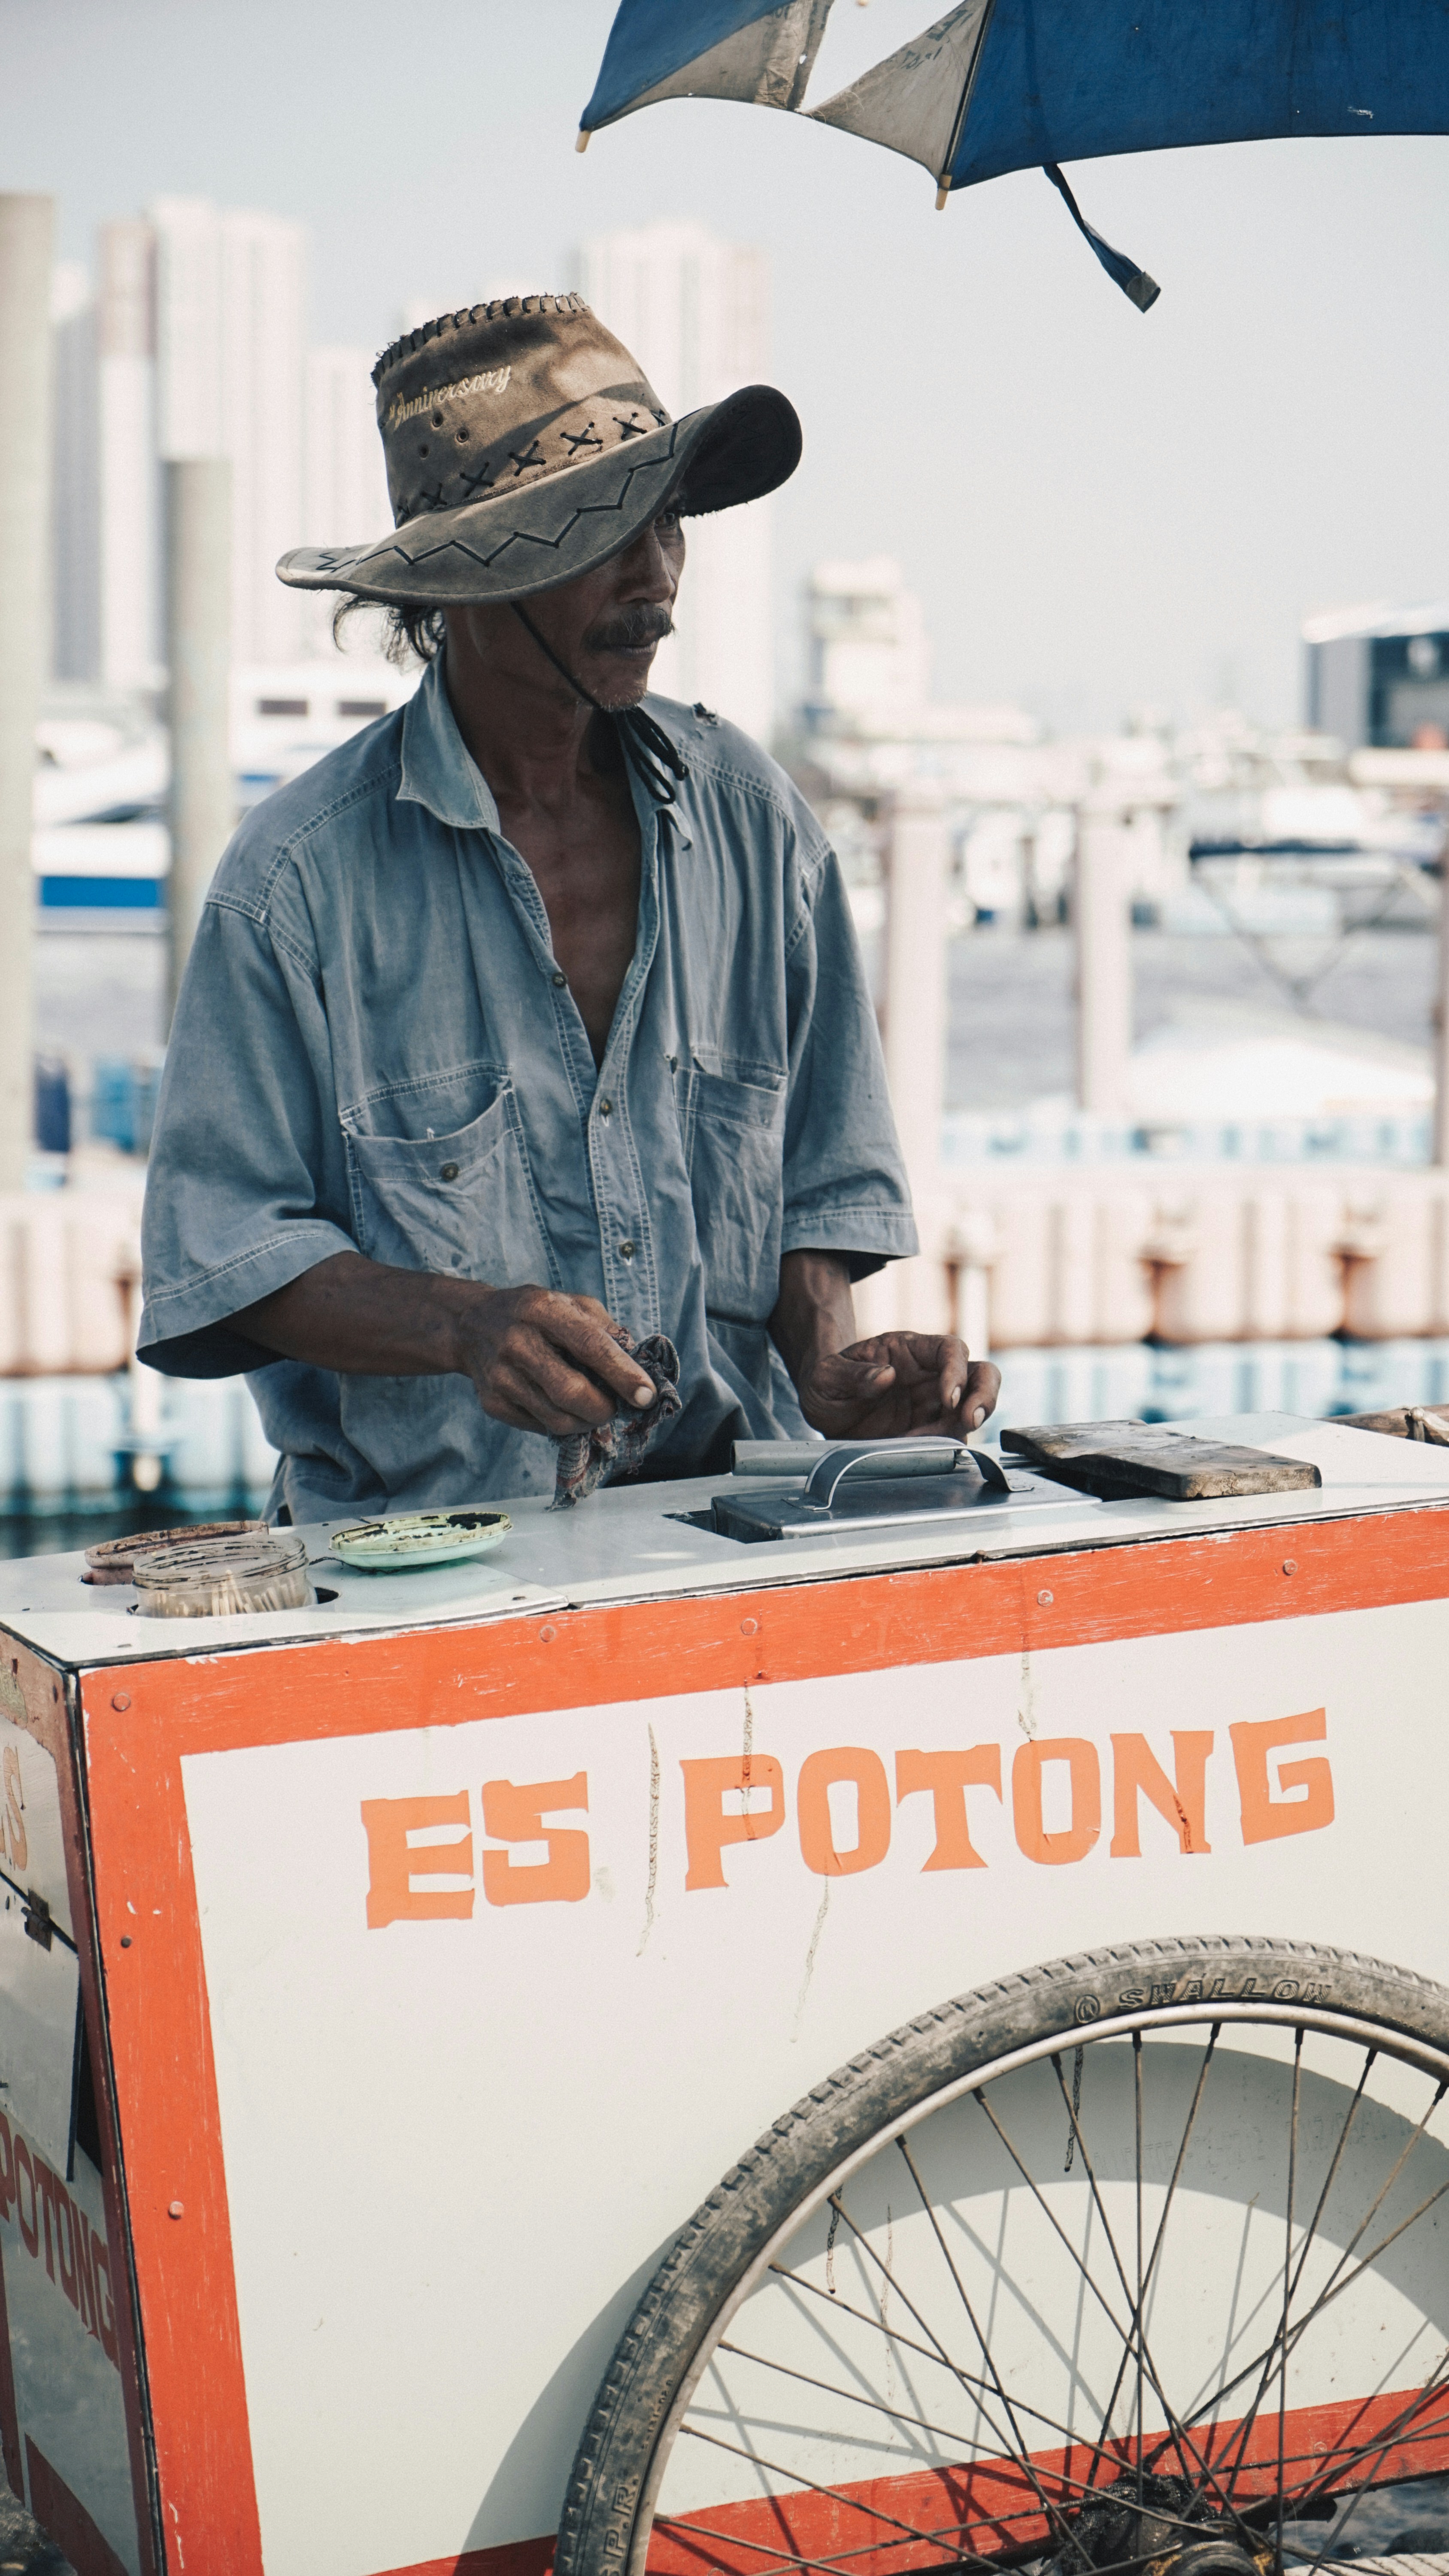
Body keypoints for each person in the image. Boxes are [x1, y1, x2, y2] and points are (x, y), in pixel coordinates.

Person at [139, 291, 999, 1520]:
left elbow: (821, 1166)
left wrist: (829, 1366)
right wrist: (463, 1324)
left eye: (669, 527)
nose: (658, 582)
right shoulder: (298, 885)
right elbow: (218, 1257)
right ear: (468, 582)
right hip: (424, 1562)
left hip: (725, 1540)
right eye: (603, 538)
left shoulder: (752, 819)